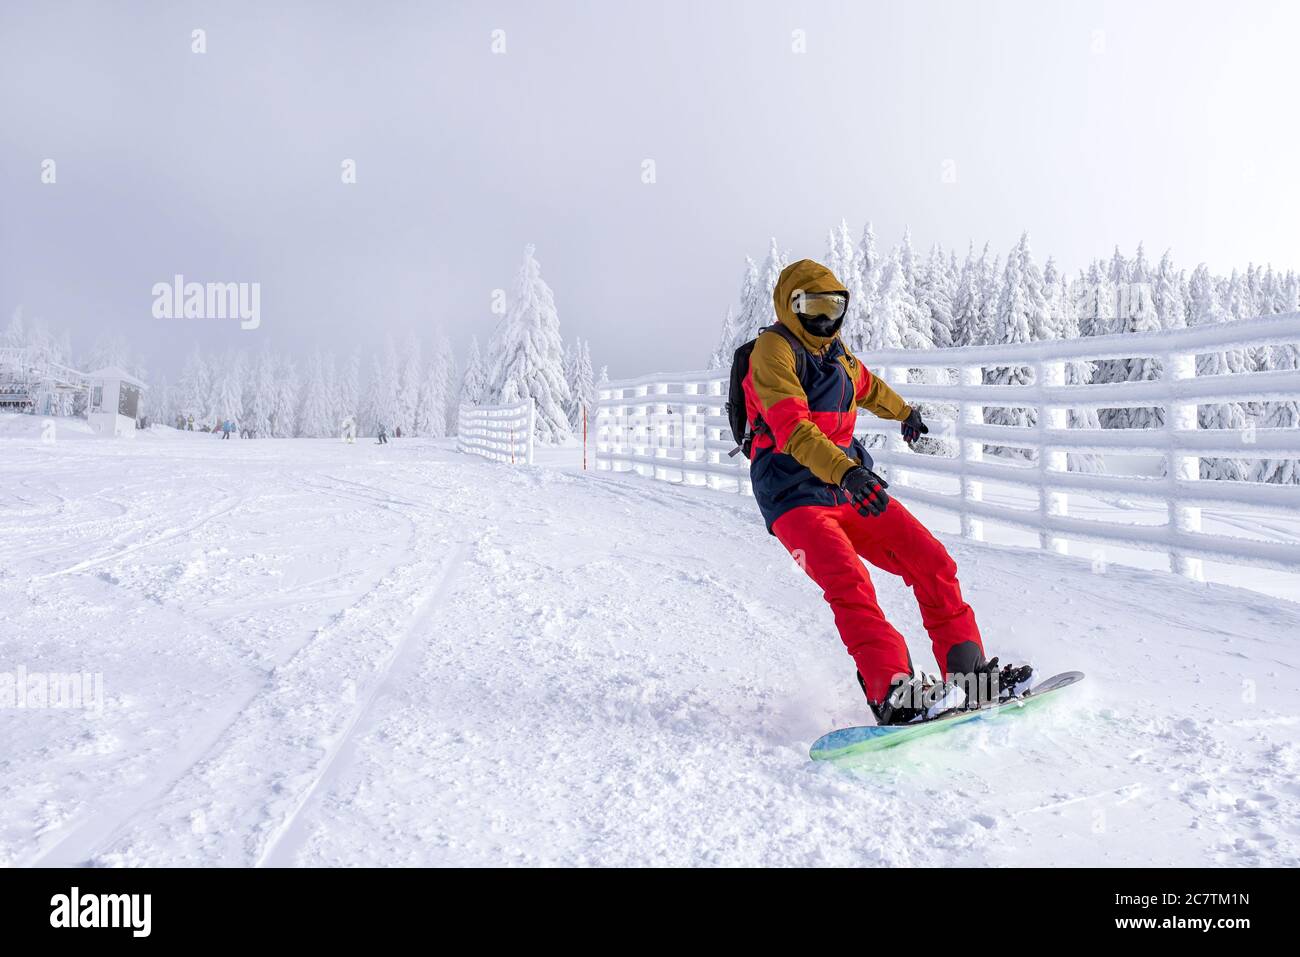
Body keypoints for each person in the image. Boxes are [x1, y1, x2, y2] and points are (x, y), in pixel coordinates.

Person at [740, 259, 1030, 725]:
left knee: (931, 560)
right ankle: (895, 693)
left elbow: (869, 387)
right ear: (790, 307)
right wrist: (848, 472)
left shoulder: (836, 353)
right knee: (849, 583)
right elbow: (793, 429)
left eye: (833, 306)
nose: (824, 318)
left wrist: (905, 413)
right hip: (792, 495)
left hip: (845, 485)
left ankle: (969, 678)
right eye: (811, 306)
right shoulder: (772, 353)